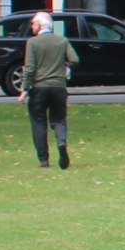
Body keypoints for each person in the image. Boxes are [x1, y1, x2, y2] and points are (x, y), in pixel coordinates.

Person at [21, 11, 76, 168]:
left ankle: (43, 159)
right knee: (59, 119)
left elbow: (30, 68)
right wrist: (65, 69)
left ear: (40, 24)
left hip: (39, 88)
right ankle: (61, 143)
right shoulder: (62, 40)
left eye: (33, 23)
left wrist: (24, 89)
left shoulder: (33, 43)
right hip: (59, 87)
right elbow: (74, 59)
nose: (32, 26)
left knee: (38, 122)